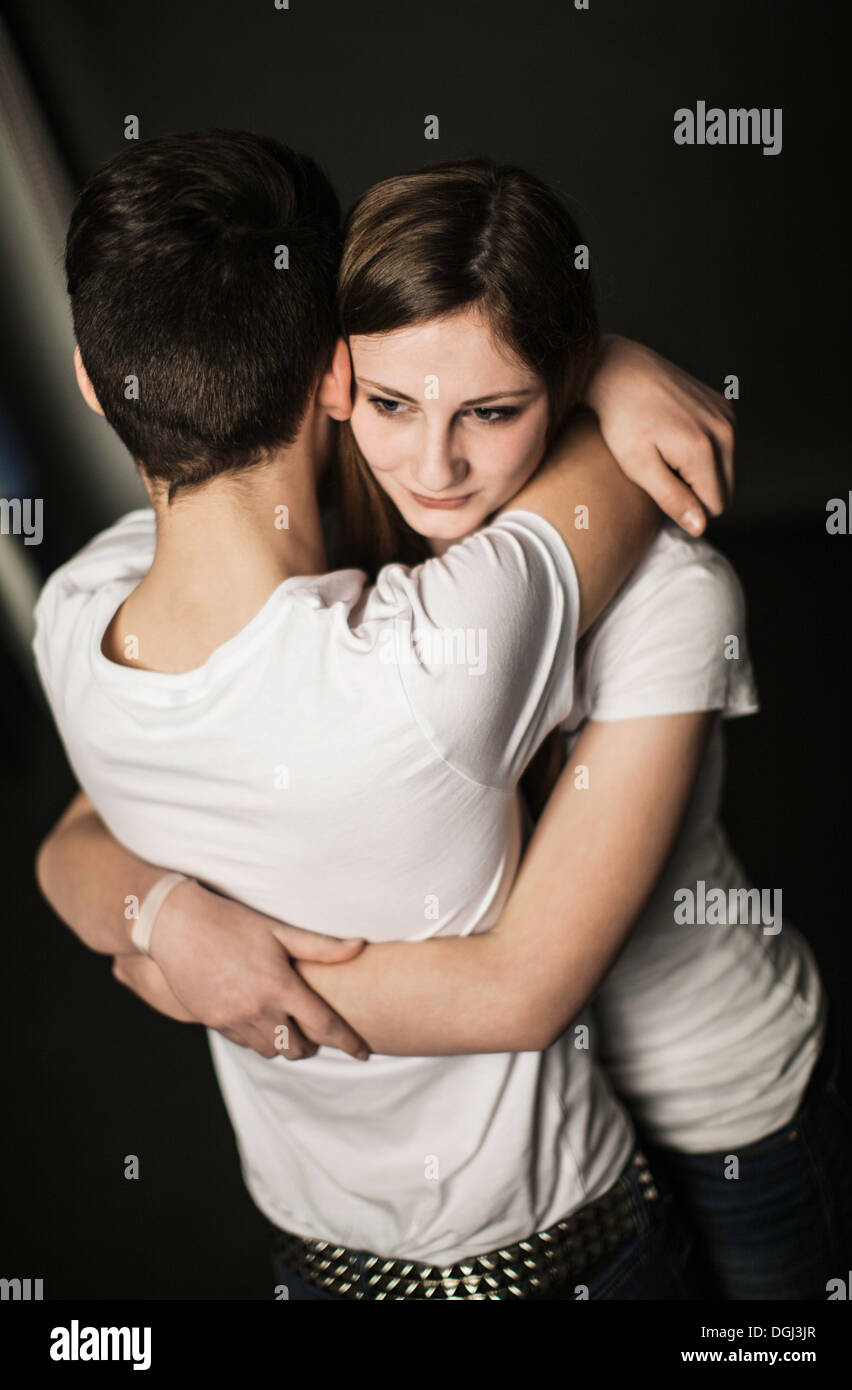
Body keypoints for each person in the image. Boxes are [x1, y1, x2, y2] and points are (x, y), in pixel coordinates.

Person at [33, 131, 735, 1301]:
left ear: (92, 381)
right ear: (339, 378)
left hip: (310, 1253)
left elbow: (70, 842)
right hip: (556, 1254)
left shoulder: (74, 616)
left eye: (488, 411)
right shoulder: (432, 658)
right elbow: (623, 478)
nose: (438, 460)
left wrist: (162, 936)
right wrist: (600, 363)